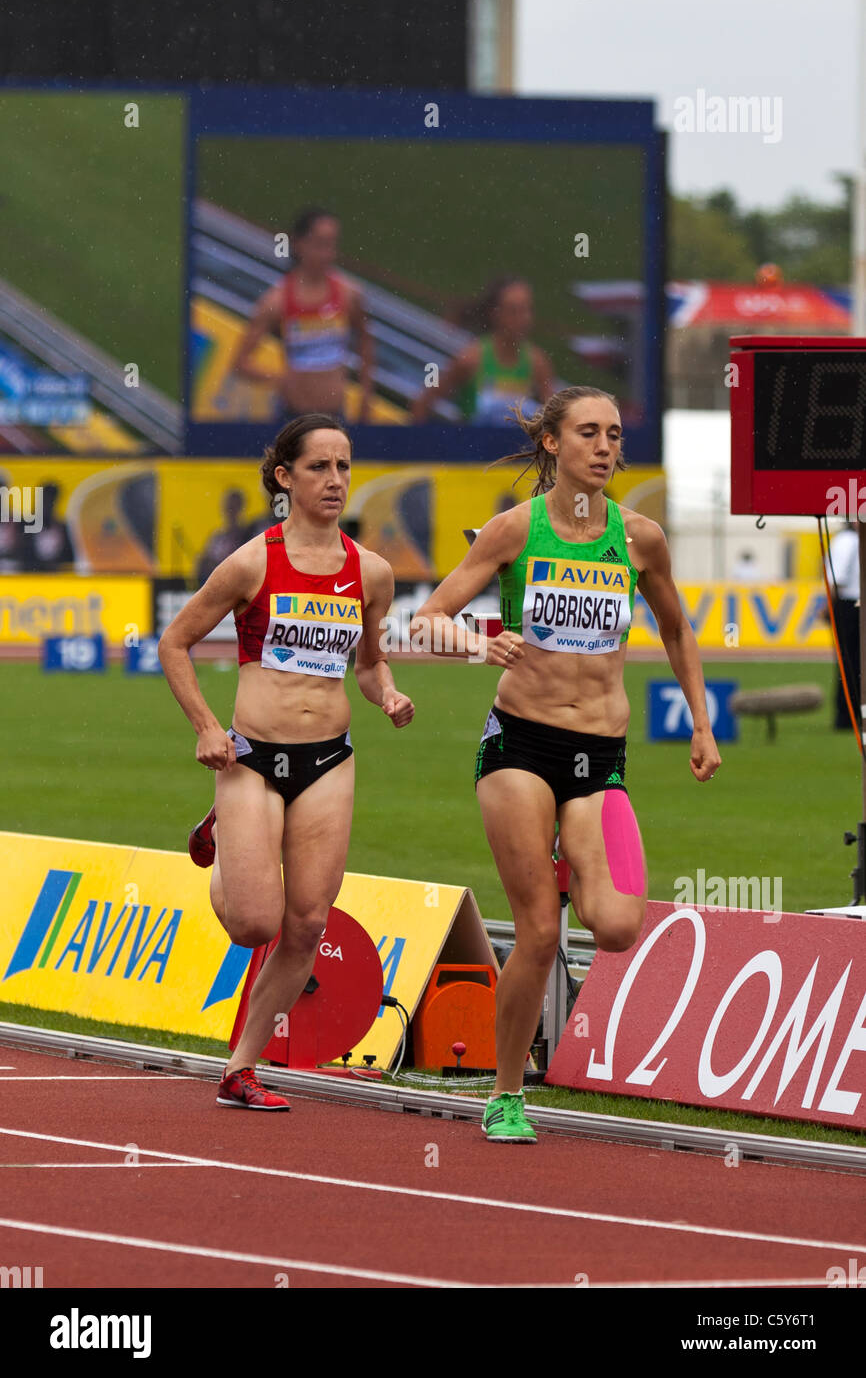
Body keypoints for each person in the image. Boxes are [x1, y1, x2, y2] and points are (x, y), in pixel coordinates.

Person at [411, 386, 721, 1143]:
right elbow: (427, 621)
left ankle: (564, 856)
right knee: (540, 934)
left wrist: (702, 722)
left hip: (599, 756)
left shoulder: (639, 537)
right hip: (520, 745)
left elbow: (677, 631)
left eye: (615, 434)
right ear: (551, 443)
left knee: (615, 925)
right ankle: (507, 1093)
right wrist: (482, 642)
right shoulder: (514, 532)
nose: (606, 447)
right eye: (588, 433)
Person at [158, 413, 414, 1110]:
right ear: (285, 478)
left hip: (329, 758)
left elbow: (369, 664)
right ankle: (226, 830)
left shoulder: (372, 572)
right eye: (319, 468)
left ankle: (241, 1067)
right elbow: (174, 642)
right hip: (250, 757)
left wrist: (386, 692)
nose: (335, 481)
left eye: (344, 468)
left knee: (306, 924)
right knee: (254, 923)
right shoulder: (252, 563)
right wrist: (207, 727)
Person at [229, 208, 373, 422]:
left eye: (332, 244)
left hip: (336, 417)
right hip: (292, 418)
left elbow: (366, 341)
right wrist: (280, 379)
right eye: (320, 245)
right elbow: (240, 364)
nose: (328, 254)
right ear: (298, 244)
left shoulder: (348, 294)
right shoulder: (276, 301)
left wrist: (366, 396)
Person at [410, 276, 556, 426]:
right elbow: (422, 404)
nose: (524, 318)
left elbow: (553, 420)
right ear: (496, 313)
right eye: (514, 311)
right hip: (475, 446)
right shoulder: (471, 359)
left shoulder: (537, 362)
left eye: (527, 310)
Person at [827, 521, 860, 731]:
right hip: (850, 605)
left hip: (851, 604)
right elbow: (836, 580)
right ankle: (848, 715)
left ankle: (848, 714)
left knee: (849, 661)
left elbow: (835, 579)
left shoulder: (848, 541)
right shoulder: (847, 541)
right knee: (851, 661)